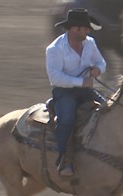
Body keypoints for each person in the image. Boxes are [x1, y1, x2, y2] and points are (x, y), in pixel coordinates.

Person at [46, 8, 107, 176]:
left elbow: (101, 62)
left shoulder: (90, 43)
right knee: (66, 120)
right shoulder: (55, 49)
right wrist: (81, 81)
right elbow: (55, 78)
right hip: (65, 93)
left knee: (109, 110)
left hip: (86, 90)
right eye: (85, 28)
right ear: (74, 29)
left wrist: (97, 70)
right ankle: (63, 159)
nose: (88, 31)